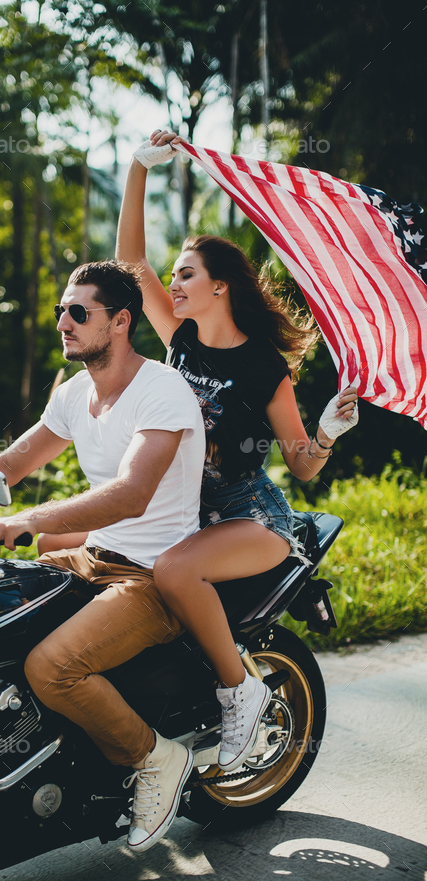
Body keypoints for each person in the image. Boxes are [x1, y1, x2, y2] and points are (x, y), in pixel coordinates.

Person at [42, 130, 359, 774]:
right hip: (186, 508)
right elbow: (128, 262)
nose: (173, 282)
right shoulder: (180, 339)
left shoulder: (263, 367)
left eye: (186, 273)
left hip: (251, 516)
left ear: (221, 286)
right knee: (50, 548)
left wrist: (326, 431)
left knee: (176, 572)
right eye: (175, 274)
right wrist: (136, 168)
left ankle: (242, 691)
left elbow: (300, 463)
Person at [0, 260, 206, 854]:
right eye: (61, 310)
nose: (64, 321)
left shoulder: (161, 390)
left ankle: (157, 759)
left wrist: (29, 520)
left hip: (154, 576)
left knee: (52, 668)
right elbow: (7, 466)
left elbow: (132, 495)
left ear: (121, 321)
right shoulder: (77, 392)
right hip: (91, 558)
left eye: (79, 312)